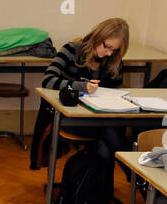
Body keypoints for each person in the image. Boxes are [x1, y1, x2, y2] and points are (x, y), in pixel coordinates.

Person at [35, 17, 131, 168]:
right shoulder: (72, 50)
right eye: (107, 47)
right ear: (98, 37)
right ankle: (137, 178)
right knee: (110, 134)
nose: (109, 53)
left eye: (115, 50)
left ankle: (97, 188)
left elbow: (116, 92)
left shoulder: (113, 60)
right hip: (71, 118)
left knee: (105, 147)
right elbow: (47, 80)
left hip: (100, 118)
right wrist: (79, 86)